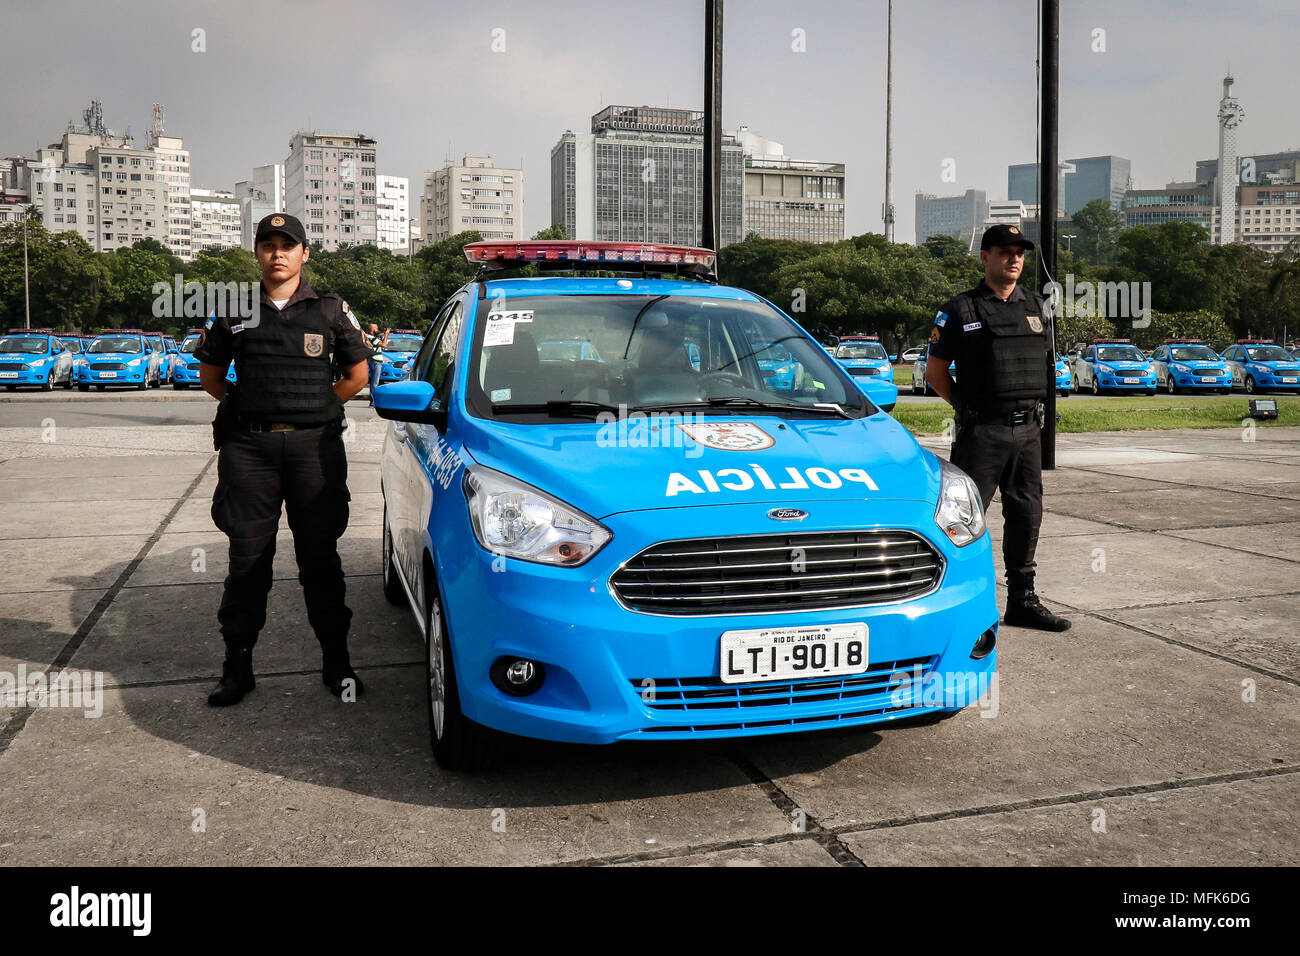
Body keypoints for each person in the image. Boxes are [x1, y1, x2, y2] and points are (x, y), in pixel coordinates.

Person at [196, 212, 374, 706]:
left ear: (304, 254)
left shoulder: (332, 310)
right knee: (248, 561)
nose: (278, 253)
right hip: (249, 449)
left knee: (320, 561)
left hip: (312, 451)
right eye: (268, 244)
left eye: (287, 245)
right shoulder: (233, 310)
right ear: (256, 253)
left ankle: (337, 664)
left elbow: (357, 376)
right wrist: (251, 404)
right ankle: (238, 668)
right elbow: (212, 378)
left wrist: (316, 408)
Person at [926, 223, 1071, 632]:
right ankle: (958, 605)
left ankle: (1022, 601)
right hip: (983, 433)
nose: (1014, 259)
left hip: (1028, 432)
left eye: (1020, 253)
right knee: (963, 519)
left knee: (1026, 514)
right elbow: (936, 371)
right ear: (985, 257)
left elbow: (1043, 364)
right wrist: (966, 408)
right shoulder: (960, 309)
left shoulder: (1037, 305)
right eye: (1004, 252)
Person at [364, 322, 389, 406]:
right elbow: (384, 344)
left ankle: (373, 401)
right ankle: (373, 402)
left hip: (373, 360)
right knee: (375, 382)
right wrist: (386, 335)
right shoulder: (371, 337)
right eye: (376, 328)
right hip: (375, 361)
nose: (377, 330)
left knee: (374, 382)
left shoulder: (370, 337)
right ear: (373, 329)